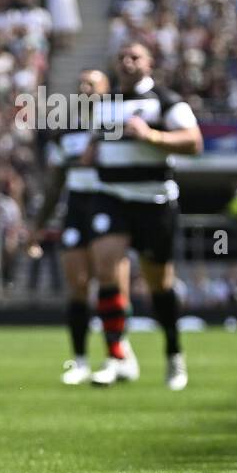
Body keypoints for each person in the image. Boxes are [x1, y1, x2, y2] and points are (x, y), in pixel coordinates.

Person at [86, 43, 203, 390]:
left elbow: (194, 143)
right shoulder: (103, 105)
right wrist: (92, 150)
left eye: (135, 56)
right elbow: (97, 142)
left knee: (159, 284)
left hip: (153, 201)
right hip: (112, 198)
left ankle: (173, 352)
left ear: (149, 63)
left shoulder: (166, 101)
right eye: (122, 57)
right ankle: (116, 356)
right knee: (106, 266)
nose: (127, 62)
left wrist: (150, 135)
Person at [27, 69, 131, 384]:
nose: (84, 89)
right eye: (80, 84)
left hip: (110, 208)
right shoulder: (65, 131)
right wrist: (38, 226)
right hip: (76, 211)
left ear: (107, 89)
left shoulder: (116, 127)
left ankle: (117, 353)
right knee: (78, 285)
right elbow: (55, 185)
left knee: (109, 280)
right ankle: (81, 360)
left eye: (92, 84)